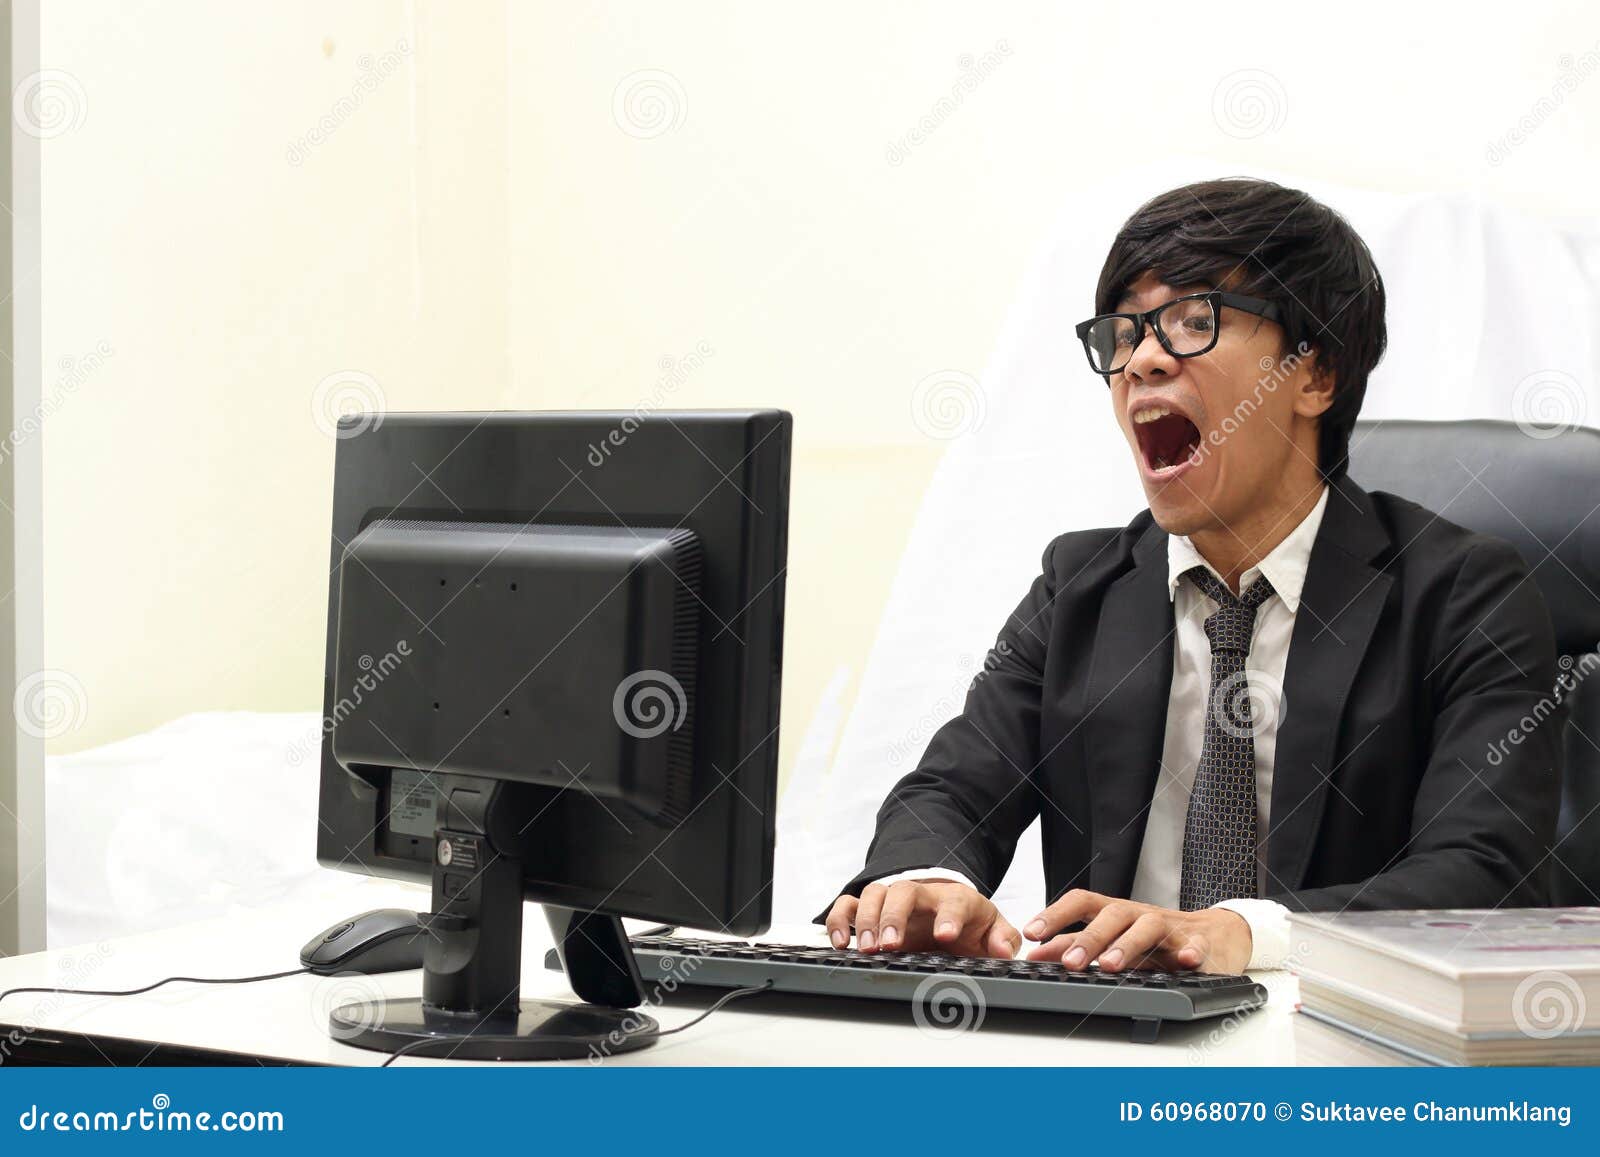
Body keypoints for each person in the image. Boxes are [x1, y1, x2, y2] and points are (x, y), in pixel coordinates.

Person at [821, 177, 1562, 975]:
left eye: (1193, 322)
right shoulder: (1082, 585)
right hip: (1107, 1038)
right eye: (1124, 334)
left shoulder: (1463, 593)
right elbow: (952, 786)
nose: (1140, 360)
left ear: (1316, 375)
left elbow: (1484, 877)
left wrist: (1242, 933)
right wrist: (926, 878)